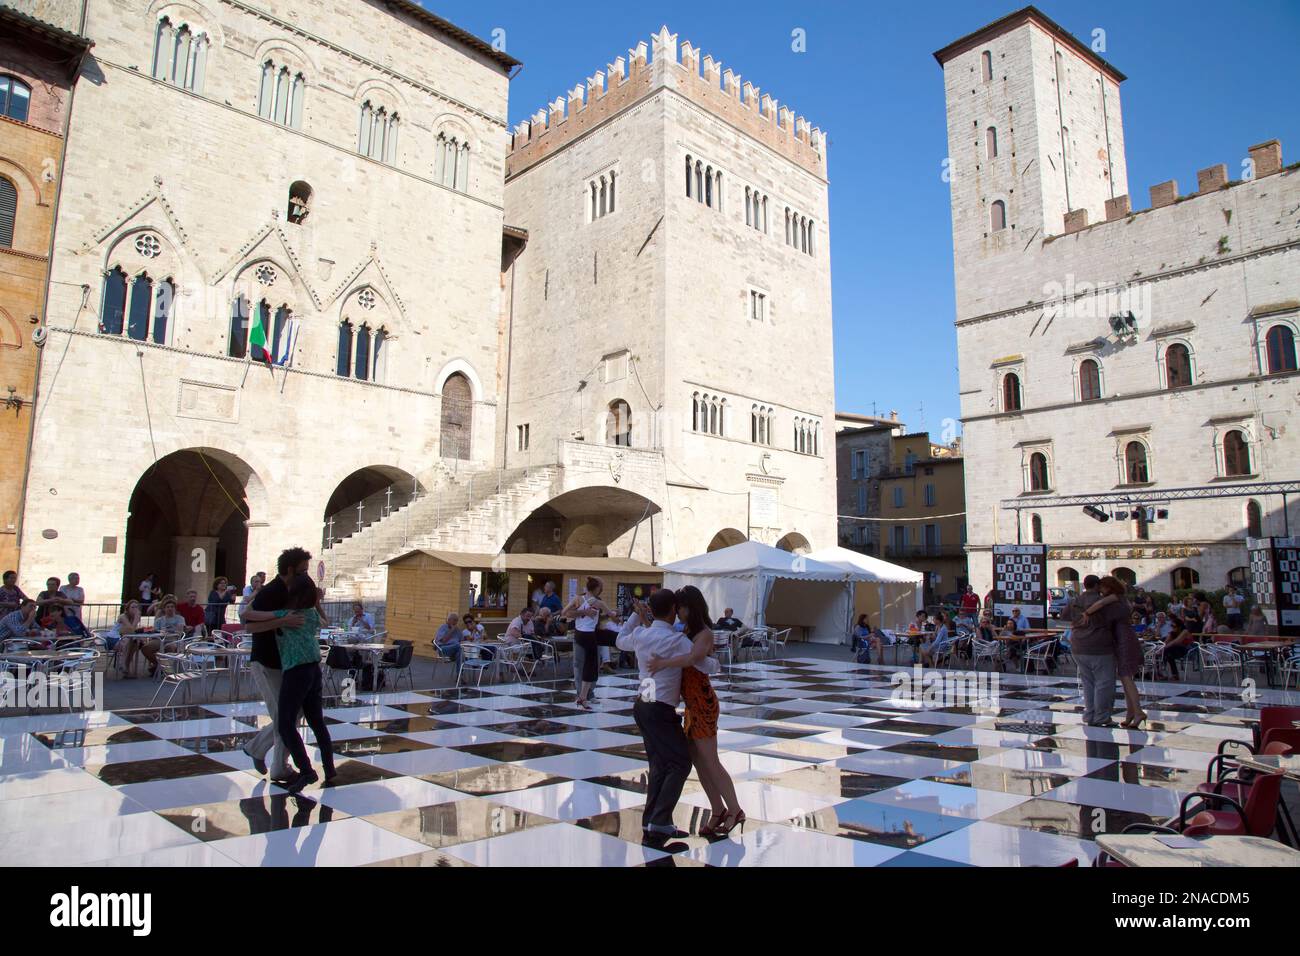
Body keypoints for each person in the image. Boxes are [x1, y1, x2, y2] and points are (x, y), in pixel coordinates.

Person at [616, 588, 712, 846]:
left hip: (643, 701)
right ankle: (660, 820)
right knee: (680, 763)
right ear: (672, 610)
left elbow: (619, 639)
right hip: (660, 707)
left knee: (658, 764)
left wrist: (637, 616)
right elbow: (701, 663)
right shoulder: (677, 640)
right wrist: (716, 663)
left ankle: (652, 821)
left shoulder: (641, 634)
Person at [646, 586, 744, 837]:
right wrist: (646, 617)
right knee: (699, 763)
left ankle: (735, 810)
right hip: (691, 705)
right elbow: (663, 636)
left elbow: (691, 659)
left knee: (711, 761)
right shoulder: (686, 631)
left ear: (691, 607)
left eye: (680, 607)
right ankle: (717, 810)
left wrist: (661, 663)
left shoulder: (704, 634)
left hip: (703, 703)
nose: (677, 612)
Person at [245, 572, 334, 793]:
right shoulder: (311, 615)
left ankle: (305, 770)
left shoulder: (290, 614)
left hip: (297, 671)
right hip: (314, 668)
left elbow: (248, 619)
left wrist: (276, 617)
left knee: (286, 722)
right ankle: (329, 769)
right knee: (315, 722)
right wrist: (317, 604)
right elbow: (325, 621)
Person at [240, 547, 312, 783]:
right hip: (266, 661)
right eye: (302, 571)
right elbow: (248, 624)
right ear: (290, 570)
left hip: (283, 662)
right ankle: (278, 765)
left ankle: (257, 749)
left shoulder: (292, 590)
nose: (305, 575)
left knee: (292, 712)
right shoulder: (272, 591)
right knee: (285, 715)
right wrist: (283, 621)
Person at [1064, 575, 1125, 726]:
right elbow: (1119, 617)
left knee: (1088, 682)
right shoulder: (1103, 601)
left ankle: (1089, 714)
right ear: (1097, 585)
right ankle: (1102, 716)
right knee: (1104, 682)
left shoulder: (1075, 600)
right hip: (1100, 645)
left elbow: (1064, 615)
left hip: (1078, 644)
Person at [1083, 577, 1145, 728]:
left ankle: (1138, 712)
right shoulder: (1122, 599)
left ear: (1109, 587)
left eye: (1103, 587)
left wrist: (1087, 612)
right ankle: (1131, 712)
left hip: (1123, 637)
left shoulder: (1114, 597)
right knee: (1125, 677)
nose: (1101, 590)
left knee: (1126, 677)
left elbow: (1101, 603)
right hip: (1122, 636)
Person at [563, 576, 619, 709]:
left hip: (584, 635)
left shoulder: (581, 599)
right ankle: (582, 695)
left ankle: (586, 695)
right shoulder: (595, 602)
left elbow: (565, 612)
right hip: (587, 636)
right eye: (601, 587)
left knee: (589, 665)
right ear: (597, 588)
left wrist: (591, 614)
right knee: (587, 665)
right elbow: (566, 614)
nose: (602, 589)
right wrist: (585, 612)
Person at [116, 599, 159, 676]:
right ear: (128, 609)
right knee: (130, 641)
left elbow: (134, 632)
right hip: (115, 639)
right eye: (132, 607)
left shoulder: (134, 618)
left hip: (126, 639)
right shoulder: (123, 616)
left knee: (136, 643)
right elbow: (131, 630)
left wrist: (148, 629)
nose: (135, 609)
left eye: (136, 607)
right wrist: (136, 619)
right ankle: (123, 664)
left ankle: (126, 667)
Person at [1162, 615, 1196, 681]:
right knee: (1167, 653)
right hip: (1176, 650)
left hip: (1188, 650)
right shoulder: (1172, 633)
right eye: (1171, 626)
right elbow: (1165, 643)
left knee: (1168, 651)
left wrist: (1164, 647)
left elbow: (1176, 641)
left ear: (1179, 626)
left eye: (1174, 626)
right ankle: (1161, 672)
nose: (1172, 628)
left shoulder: (1185, 631)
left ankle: (1174, 674)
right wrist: (1161, 648)